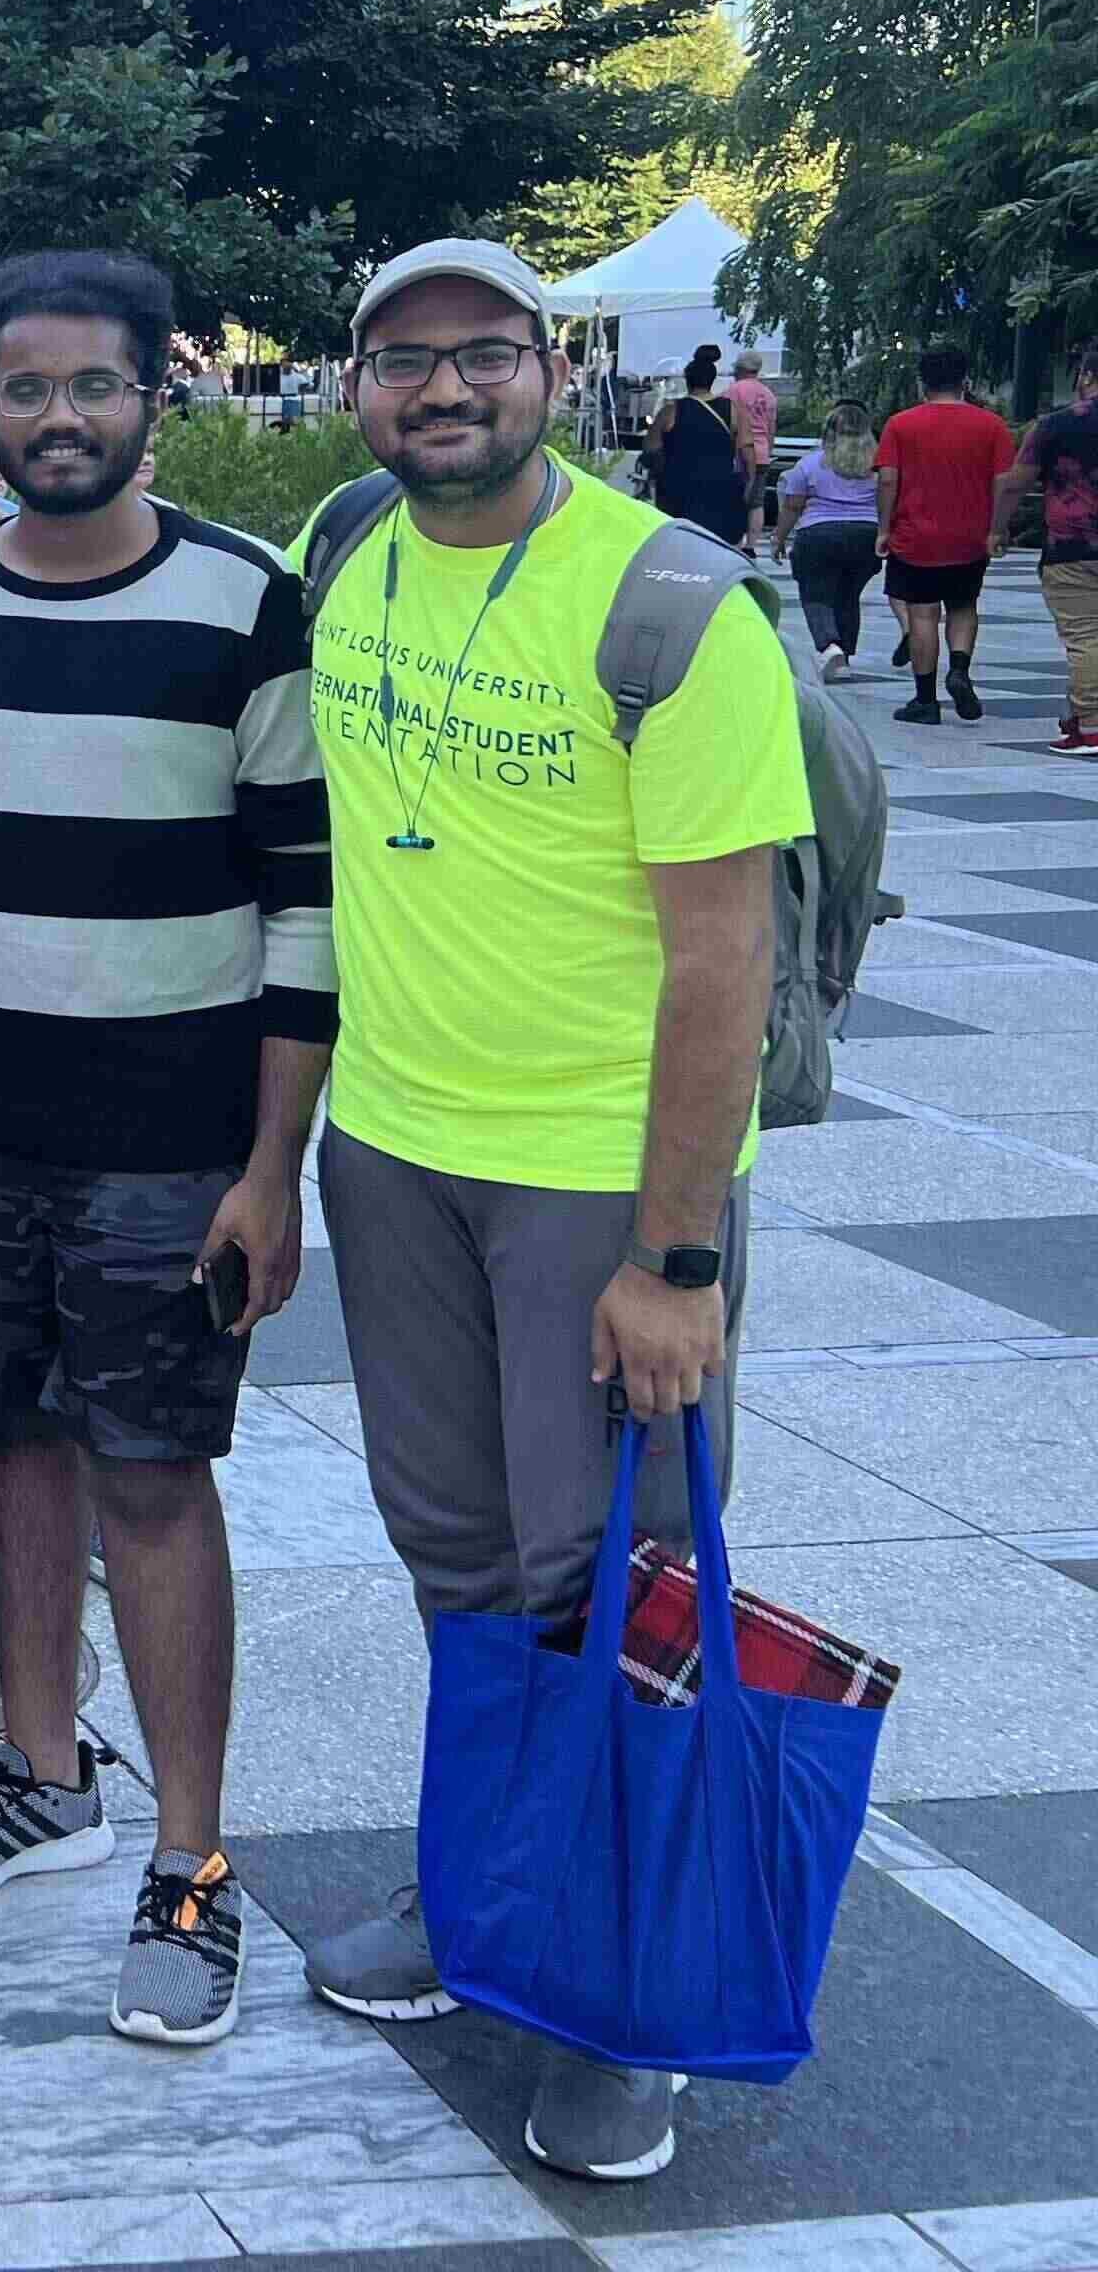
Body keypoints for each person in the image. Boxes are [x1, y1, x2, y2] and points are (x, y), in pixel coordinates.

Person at [289, 238, 808, 2185]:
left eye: (482, 351)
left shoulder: (672, 606)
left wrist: (675, 1257)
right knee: (456, 1550)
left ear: (552, 368)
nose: (444, 386)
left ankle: (623, 2004)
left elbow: (724, 959)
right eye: (403, 357)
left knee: (613, 1573)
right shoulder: (346, 545)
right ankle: (483, 1892)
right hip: (394, 1144)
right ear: (356, 385)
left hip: (600, 1174)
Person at [0, 247, 332, 2056]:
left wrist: (272, 1164)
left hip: (167, 1138)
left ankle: (190, 1857)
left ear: (151, 397)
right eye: (28, 387)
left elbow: (303, 899)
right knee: (14, 1429)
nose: (61, 416)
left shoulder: (241, 603)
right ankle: (41, 1769)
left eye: (94, 384)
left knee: (154, 1473)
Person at [875, 341, 1018, 726]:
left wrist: (884, 528)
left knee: (922, 615)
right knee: (963, 606)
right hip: (970, 537)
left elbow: (887, 480)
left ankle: (925, 700)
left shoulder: (900, 424)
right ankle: (959, 669)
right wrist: (997, 529)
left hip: (914, 537)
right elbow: (1004, 482)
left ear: (923, 381)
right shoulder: (991, 425)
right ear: (964, 380)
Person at [991, 334, 1098, 756]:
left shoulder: (1056, 424)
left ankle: (1091, 725)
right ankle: (1078, 717)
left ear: (1086, 376)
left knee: (1084, 636)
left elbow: (1015, 483)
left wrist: (997, 529)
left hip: (1073, 547)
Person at [770, 401, 884, 683]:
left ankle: (829, 644)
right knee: (848, 595)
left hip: (818, 535)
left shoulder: (810, 464)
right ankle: (844, 654)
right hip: (866, 535)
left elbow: (793, 506)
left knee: (816, 594)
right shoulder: (879, 467)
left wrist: (778, 537)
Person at [643, 343, 746, 545]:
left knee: (681, 546)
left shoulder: (671, 411)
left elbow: (651, 448)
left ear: (687, 380)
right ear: (712, 380)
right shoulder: (732, 411)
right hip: (720, 493)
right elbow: (746, 449)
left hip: (679, 494)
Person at [716, 348, 780, 527]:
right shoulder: (768, 394)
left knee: (733, 500)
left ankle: (735, 538)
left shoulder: (732, 391)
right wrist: (767, 452)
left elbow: (723, 422)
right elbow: (771, 430)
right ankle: (752, 541)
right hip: (761, 454)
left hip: (737, 454)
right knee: (757, 503)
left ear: (740, 369)